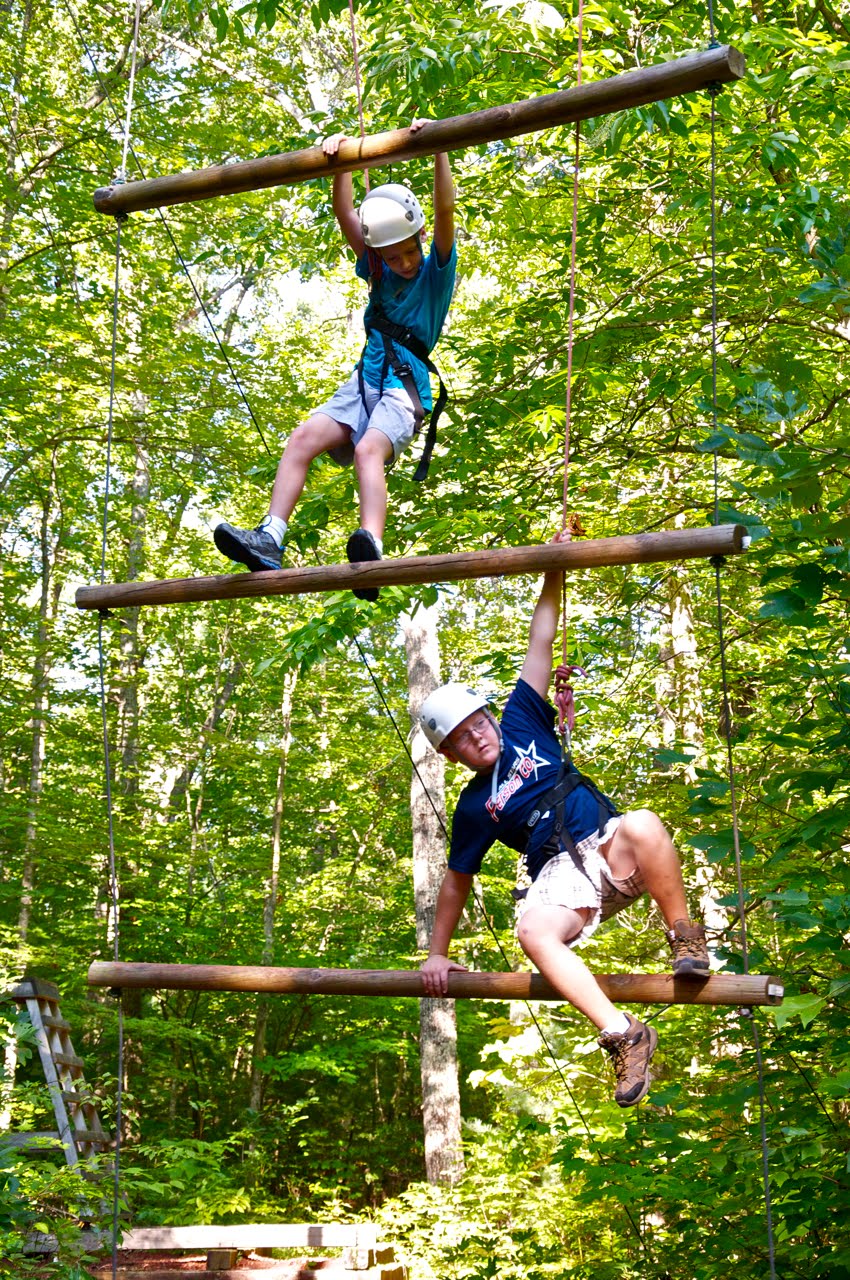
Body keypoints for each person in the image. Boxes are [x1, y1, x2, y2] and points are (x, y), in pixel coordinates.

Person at [417, 533, 710, 1107]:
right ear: (450, 755)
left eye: (478, 723)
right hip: (559, 876)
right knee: (532, 932)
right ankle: (623, 1034)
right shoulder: (475, 806)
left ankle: (685, 937)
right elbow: (456, 881)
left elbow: (540, 640)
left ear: (490, 715)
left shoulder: (523, 720)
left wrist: (554, 567)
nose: (478, 737)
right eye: (462, 739)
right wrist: (436, 951)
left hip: (609, 847)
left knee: (644, 821)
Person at [213, 119, 457, 601]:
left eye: (409, 252)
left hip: (403, 389)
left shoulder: (435, 275)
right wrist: (341, 162)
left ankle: (372, 548)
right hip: (364, 382)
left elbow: (445, 210)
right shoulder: (378, 270)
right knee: (302, 437)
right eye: (392, 257)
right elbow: (345, 213)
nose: (404, 263)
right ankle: (270, 537)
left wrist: (440, 147)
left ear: (420, 239)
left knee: (369, 450)